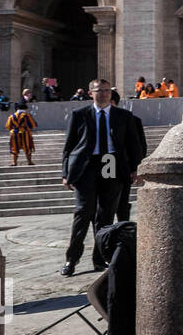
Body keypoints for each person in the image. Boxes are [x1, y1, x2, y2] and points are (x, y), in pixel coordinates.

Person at [60, 80, 146, 276]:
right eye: (99, 91)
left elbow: (134, 145)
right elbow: (69, 146)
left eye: (107, 91)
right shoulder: (79, 115)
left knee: (105, 216)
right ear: (91, 93)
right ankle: (71, 259)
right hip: (87, 165)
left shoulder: (124, 116)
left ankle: (99, 259)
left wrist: (136, 168)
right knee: (83, 213)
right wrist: (66, 173)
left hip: (110, 163)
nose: (104, 94)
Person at [110, 91, 147, 223]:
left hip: (124, 166)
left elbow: (140, 146)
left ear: (113, 102)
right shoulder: (97, 118)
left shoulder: (131, 119)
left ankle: (122, 229)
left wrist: (136, 168)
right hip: (106, 165)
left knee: (123, 201)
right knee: (105, 202)